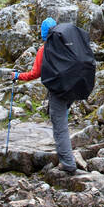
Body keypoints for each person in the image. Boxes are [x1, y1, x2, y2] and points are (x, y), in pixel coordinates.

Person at [11, 18, 78, 175]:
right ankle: (66, 152)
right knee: (63, 119)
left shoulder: (45, 49)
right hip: (73, 88)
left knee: (59, 128)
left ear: (43, 33)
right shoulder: (68, 44)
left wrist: (17, 76)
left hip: (58, 92)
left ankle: (68, 163)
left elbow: (35, 73)